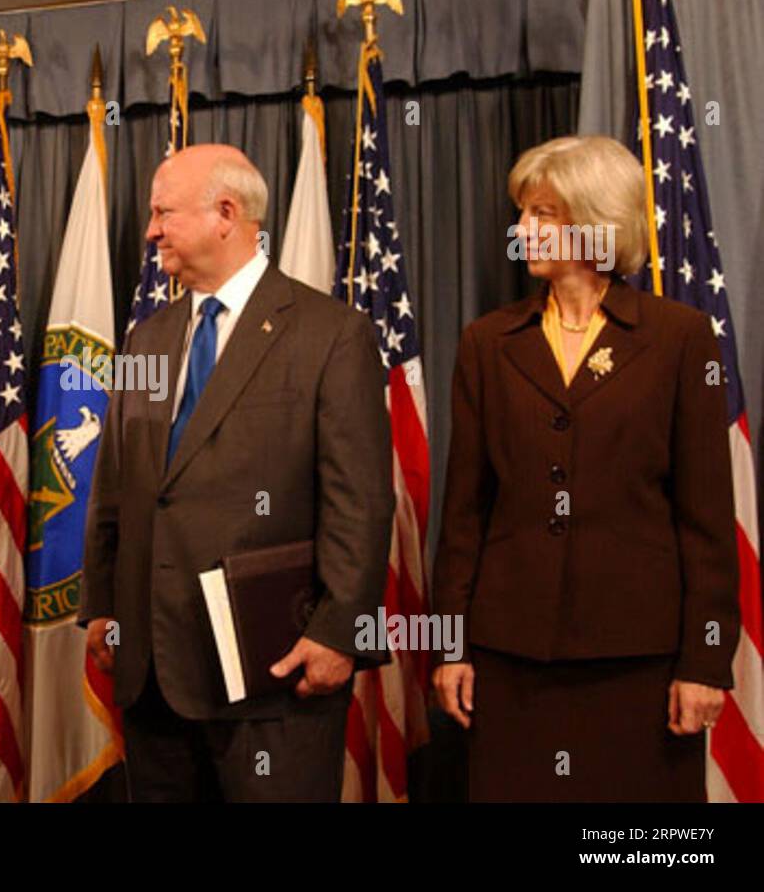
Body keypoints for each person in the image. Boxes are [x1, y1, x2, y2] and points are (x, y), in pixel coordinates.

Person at [80, 144, 395, 801]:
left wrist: (338, 631)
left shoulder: (332, 334)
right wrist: (103, 607)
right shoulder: (147, 339)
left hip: (272, 674)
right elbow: (118, 485)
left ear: (226, 213)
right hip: (152, 671)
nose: (151, 230)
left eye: (163, 212)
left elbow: (359, 502)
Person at [431, 135, 740, 802]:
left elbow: (708, 519)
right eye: (523, 213)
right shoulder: (487, 343)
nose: (524, 231)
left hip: (639, 662)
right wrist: (451, 645)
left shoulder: (679, 338)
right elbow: (463, 513)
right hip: (511, 658)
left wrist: (706, 660)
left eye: (545, 213)